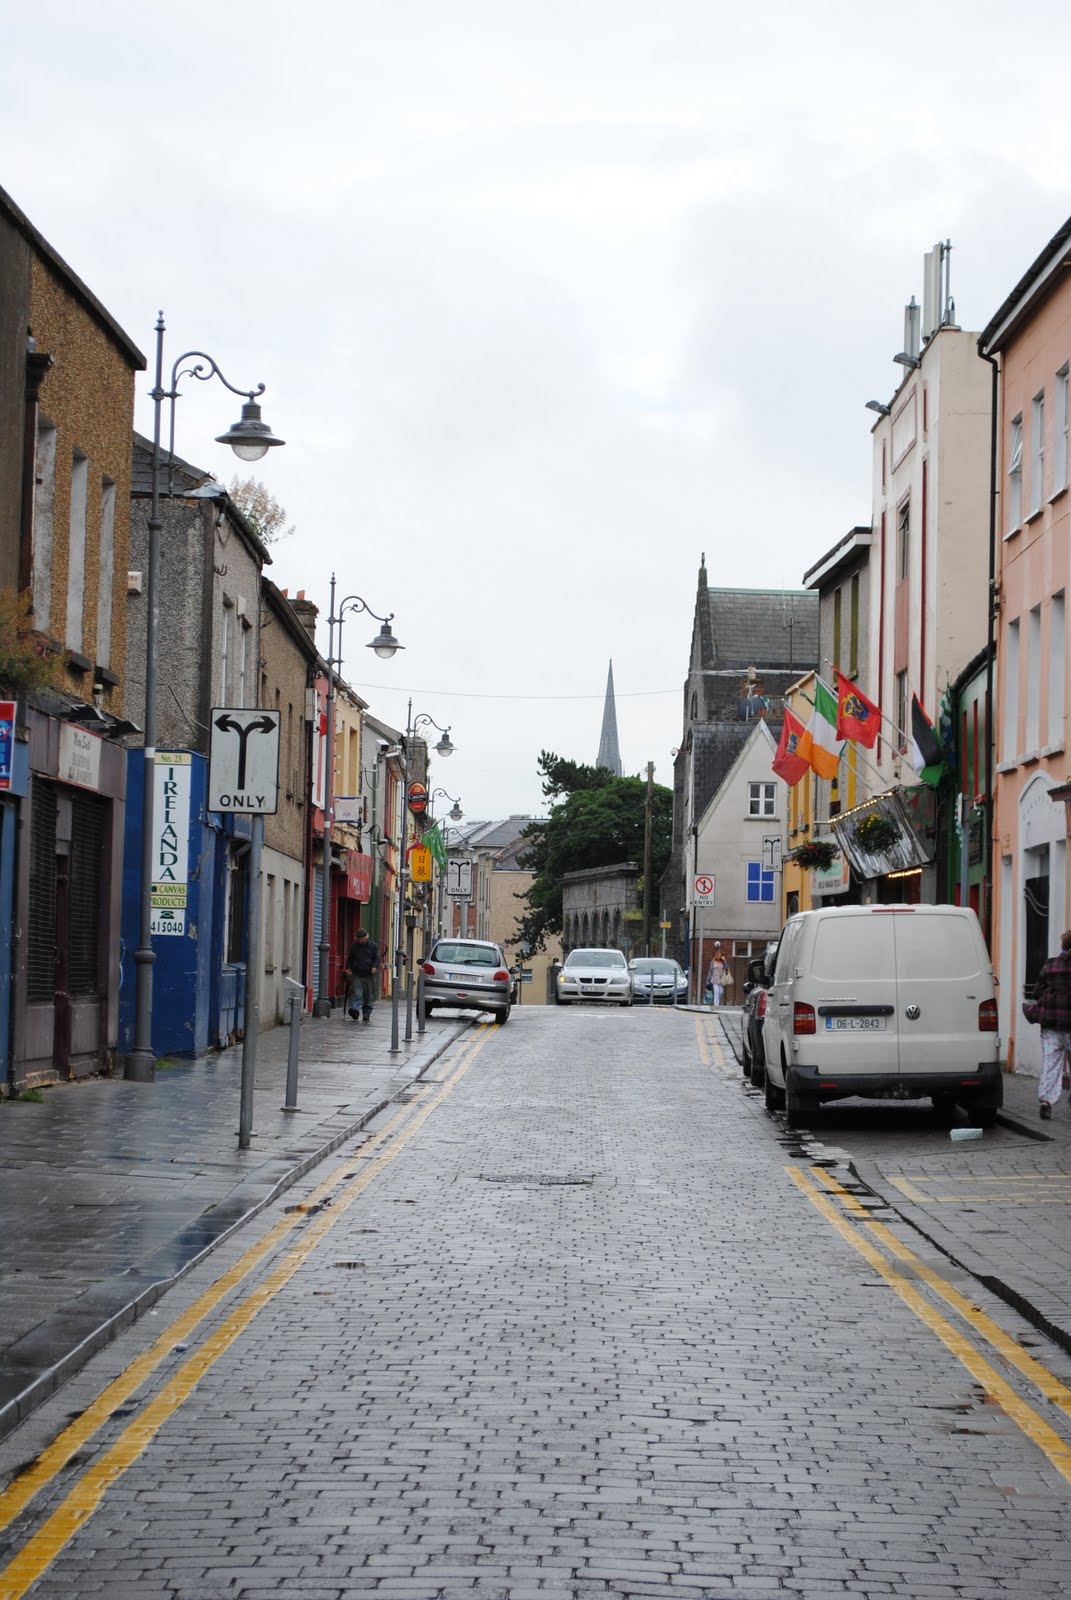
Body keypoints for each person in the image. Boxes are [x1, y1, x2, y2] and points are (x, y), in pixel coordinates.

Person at [1031, 929, 1071, 1119]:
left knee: (1050, 1062)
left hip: (1051, 1024)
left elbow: (1037, 992)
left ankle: (1046, 1100)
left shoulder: (1051, 964)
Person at [345, 927, 380, 1022]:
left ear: (366, 937)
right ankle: (355, 1010)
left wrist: (374, 967)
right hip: (357, 974)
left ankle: (366, 1014)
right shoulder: (354, 946)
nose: (360, 940)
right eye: (359, 938)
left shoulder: (373, 946)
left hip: (369, 975)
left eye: (362, 938)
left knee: (368, 996)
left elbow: (377, 958)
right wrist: (348, 968)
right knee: (357, 994)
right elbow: (350, 958)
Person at [706, 942, 733, 1008]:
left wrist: (725, 960)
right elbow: (710, 970)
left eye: (720, 955)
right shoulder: (713, 961)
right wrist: (708, 979)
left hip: (721, 979)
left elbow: (726, 967)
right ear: (716, 955)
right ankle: (716, 1005)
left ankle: (718, 1001)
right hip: (714, 978)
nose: (719, 956)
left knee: (721, 992)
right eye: (718, 955)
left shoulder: (723, 962)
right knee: (716, 991)